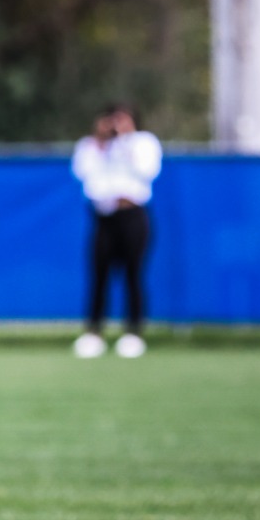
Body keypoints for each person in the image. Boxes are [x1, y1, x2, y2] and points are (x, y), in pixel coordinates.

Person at [70, 103, 162, 359]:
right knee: (99, 275)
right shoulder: (92, 146)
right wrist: (101, 142)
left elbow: (147, 170)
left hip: (133, 215)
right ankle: (93, 333)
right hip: (104, 216)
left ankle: (133, 333)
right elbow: (82, 172)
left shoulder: (143, 143)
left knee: (133, 274)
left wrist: (125, 141)